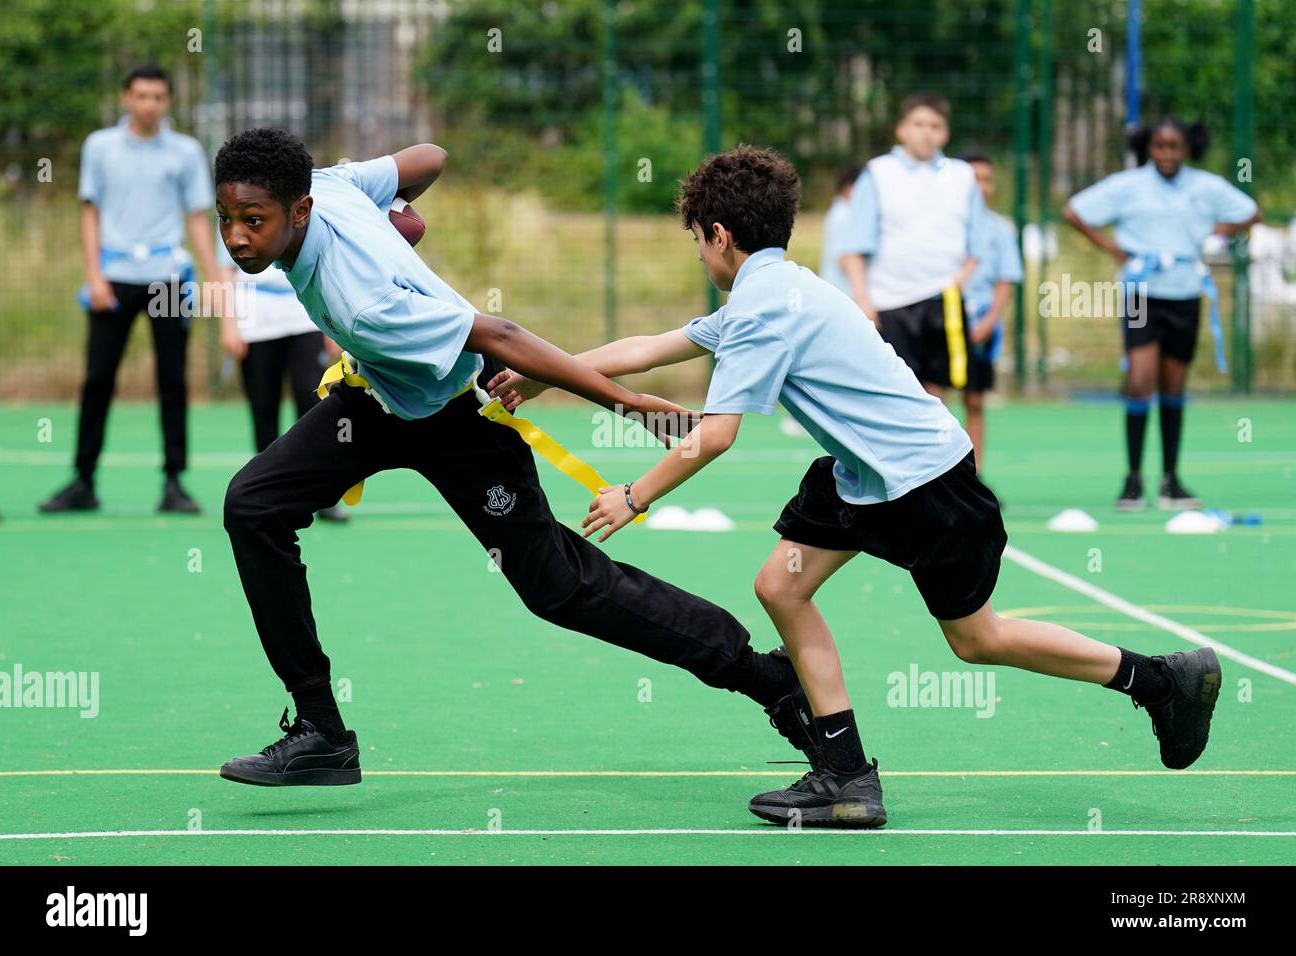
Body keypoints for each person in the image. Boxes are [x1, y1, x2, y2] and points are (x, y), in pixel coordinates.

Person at [492, 146, 1223, 828]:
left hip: (925, 485)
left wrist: (634, 495)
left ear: (717, 234)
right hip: (862, 479)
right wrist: (537, 369)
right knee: (781, 586)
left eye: (696, 238)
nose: (698, 250)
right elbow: (648, 349)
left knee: (979, 640)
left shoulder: (760, 308)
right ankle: (846, 776)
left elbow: (714, 436)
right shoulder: (781, 284)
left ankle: (1161, 683)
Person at [212, 128, 803, 787]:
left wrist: (630, 404)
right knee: (255, 504)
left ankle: (766, 677)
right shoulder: (334, 185)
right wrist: (392, 212)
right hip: (371, 398)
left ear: (299, 211)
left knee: (559, 588)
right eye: (226, 219)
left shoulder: (363, 298)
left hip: (458, 409)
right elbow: (432, 156)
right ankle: (322, 732)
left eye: (253, 221)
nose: (236, 237)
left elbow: (502, 334)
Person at [41, 64, 218, 514]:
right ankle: (83, 481)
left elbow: (198, 216)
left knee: (172, 382)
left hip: (167, 278)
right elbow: (89, 213)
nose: (149, 105)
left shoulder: (185, 151)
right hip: (114, 279)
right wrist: (94, 276)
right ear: (125, 98)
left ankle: (174, 483)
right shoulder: (99, 147)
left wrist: (215, 270)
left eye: (158, 97)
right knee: (98, 379)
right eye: (141, 96)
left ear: (168, 102)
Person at [1063, 118, 1260, 511]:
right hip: (1141, 293)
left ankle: (1171, 480)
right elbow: (1074, 212)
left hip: (1185, 293)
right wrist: (1114, 250)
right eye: (1160, 146)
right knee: (1139, 380)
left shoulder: (1205, 187)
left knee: (1174, 385)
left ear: (1187, 149)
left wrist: (1212, 228)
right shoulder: (1128, 185)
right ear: (1148, 148)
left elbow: (1251, 213)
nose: (1167, 154)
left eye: (1175, 147)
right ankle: (1133, 480)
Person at [838, 92, 986, 395]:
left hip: (941, 300)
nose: (926, 132)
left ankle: (939, 445)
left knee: (938, 392)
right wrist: (864, 302)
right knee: (897, 392)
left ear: (945, 133)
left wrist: (956, 284)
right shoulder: (878, 173)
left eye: (935, 125)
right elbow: (853, 248)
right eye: (918, 123)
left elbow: (978, 244)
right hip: (889, 301)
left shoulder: (962, 176)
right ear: (901, 129)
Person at [216, 243, 347, 521]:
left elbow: (325, 262)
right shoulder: (236, 205)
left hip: (304, 316)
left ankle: (321, 492)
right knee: (264, 407)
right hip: (254, 320)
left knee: (313, 401)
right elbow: (225, 270)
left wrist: (333, 323)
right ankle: (267, 491)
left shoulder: (305, 205)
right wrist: (228, 324)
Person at [958, 152, 1023, 477]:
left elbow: (1006, 280)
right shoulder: (944, 226)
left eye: (987, 179)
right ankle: (933, 482)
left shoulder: (1000, 229)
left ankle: (974, 477)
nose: (981, 187)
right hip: (941, 320)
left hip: (979, 322)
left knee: (974, 400)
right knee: (931, 399)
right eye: (973, 179)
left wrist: (991, 319)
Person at [818, 165, 861, 296]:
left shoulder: (840, 211)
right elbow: (844, 258)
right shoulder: (844, 215)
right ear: (849, 187)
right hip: (842, 292)